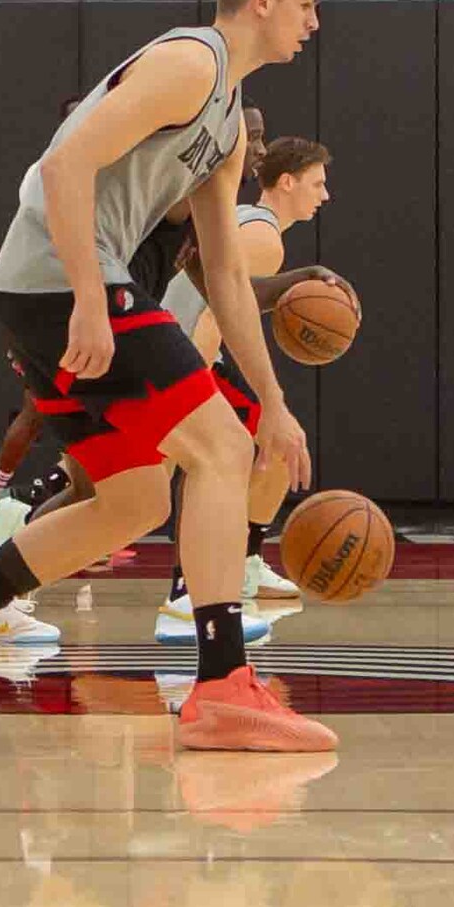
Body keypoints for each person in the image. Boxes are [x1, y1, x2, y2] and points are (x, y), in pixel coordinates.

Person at [0, 0, 334, 750]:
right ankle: (223, 682)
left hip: (45, 290)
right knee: (221, 450)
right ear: (261, 0)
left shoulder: (226, 125)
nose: (314, 22)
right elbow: (64, 161)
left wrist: (276, 401)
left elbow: (227, 276)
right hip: (63, 280)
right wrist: (91, 294)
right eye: (306, 4)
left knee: (136, 497)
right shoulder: (192, 62)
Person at [151, 131, 331, 629]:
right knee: (179, 468)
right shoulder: (261, 236)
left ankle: (246, 563)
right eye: (317, 184)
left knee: (275, 442)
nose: (325, 195)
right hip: (180, 356)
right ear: (288, 183)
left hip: (183, 351)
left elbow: (237, 301)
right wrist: (199, 390)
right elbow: (213, 317)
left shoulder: (255, 228)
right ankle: (185, 595)